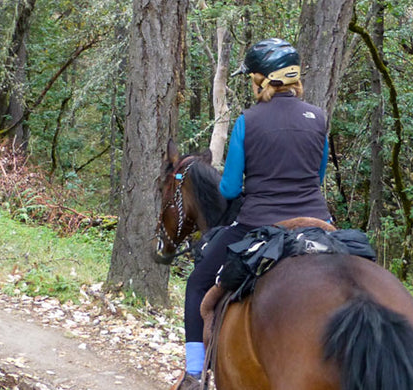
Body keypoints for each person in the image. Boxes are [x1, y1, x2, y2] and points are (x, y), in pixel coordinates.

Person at [174, 38, 333, 389]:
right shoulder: (319, 118)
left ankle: (194, 373)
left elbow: (230, 189)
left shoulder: (248, 120)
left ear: (262, 79)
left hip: (258, 224)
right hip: (318, 223)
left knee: (197, 283)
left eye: (251, 77)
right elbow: (318, 177)